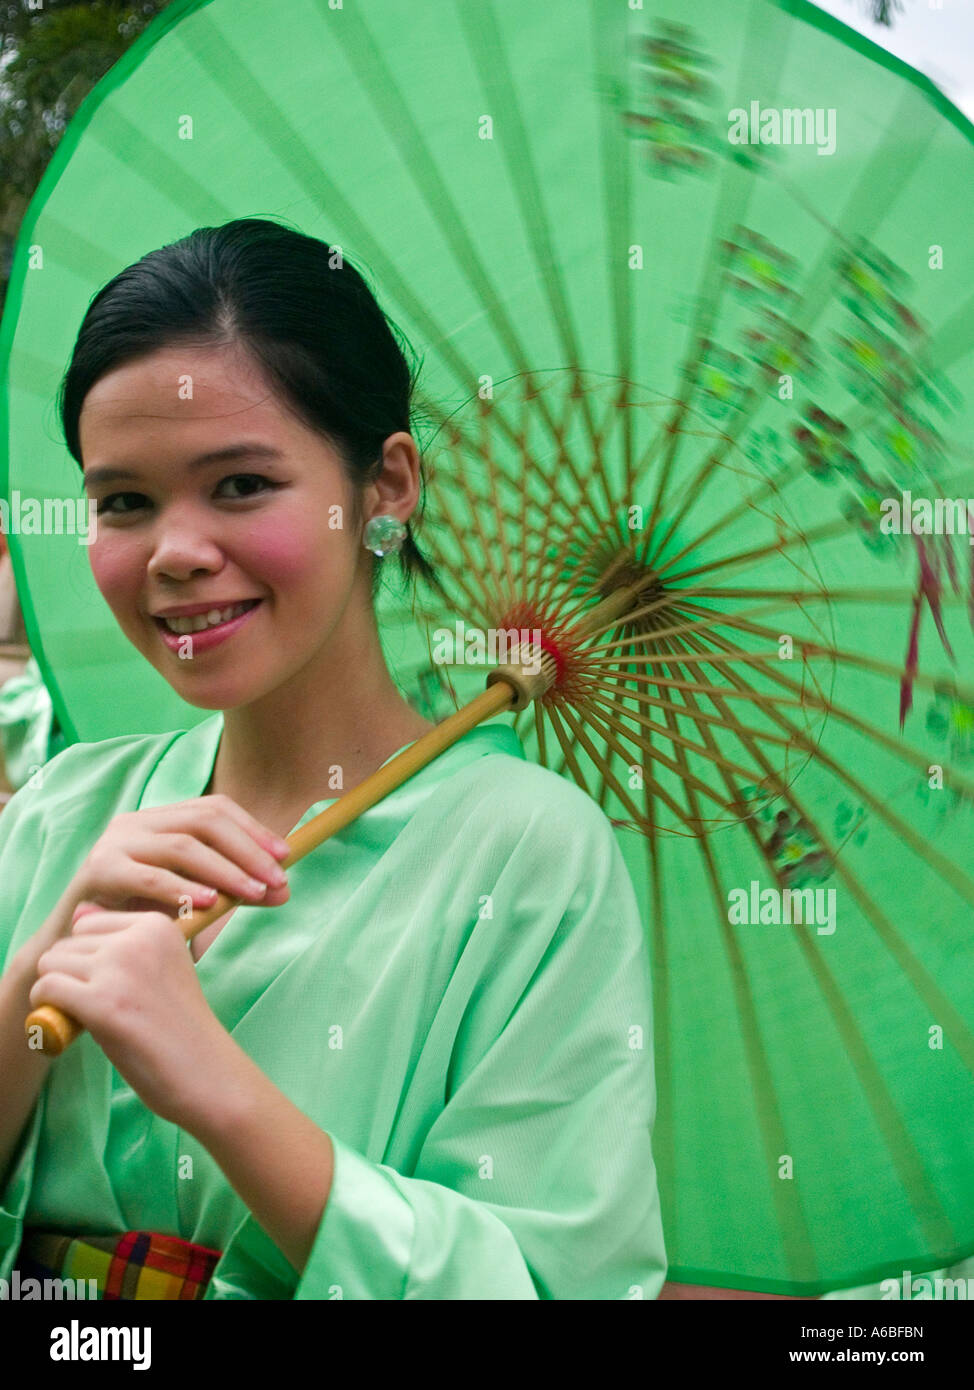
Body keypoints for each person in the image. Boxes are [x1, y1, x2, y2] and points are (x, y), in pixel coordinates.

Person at [0, 217, 666, 1300]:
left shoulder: (523, 853)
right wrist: (32, 976)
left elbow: (559, 1286)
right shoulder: (66, 811)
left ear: (386, 485)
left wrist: (220, 1092)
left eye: (240, 485)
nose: (173, 552)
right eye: (124, 500)